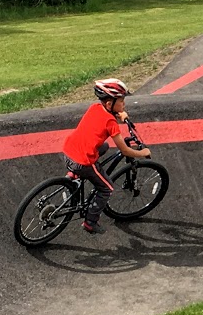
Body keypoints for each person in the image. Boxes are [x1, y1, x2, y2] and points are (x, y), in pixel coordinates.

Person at [62, 78, 152, 234]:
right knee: (106, 188)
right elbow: (125, 151)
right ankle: (90, 221)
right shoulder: (111, 123)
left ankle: (74, 175)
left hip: (69, 151)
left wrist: (120, 115)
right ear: (109, 104)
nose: (124, 104)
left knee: (103, 146)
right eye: (122, 101)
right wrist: (142, 153)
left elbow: (104, 117)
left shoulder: (95, 107)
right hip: (83, 162)